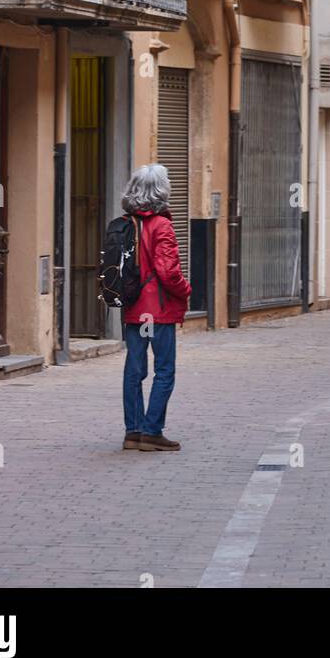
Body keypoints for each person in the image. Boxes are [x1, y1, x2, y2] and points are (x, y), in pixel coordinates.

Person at [120, 163, 191, 452]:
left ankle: (133, 431)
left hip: (133, 307)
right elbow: (168, 272)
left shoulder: (126, 223)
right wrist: (186, 291)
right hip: (158, 311)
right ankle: (152, 431)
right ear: (162, 191)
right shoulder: (162, 225)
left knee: (134, 370)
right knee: (164, 370)